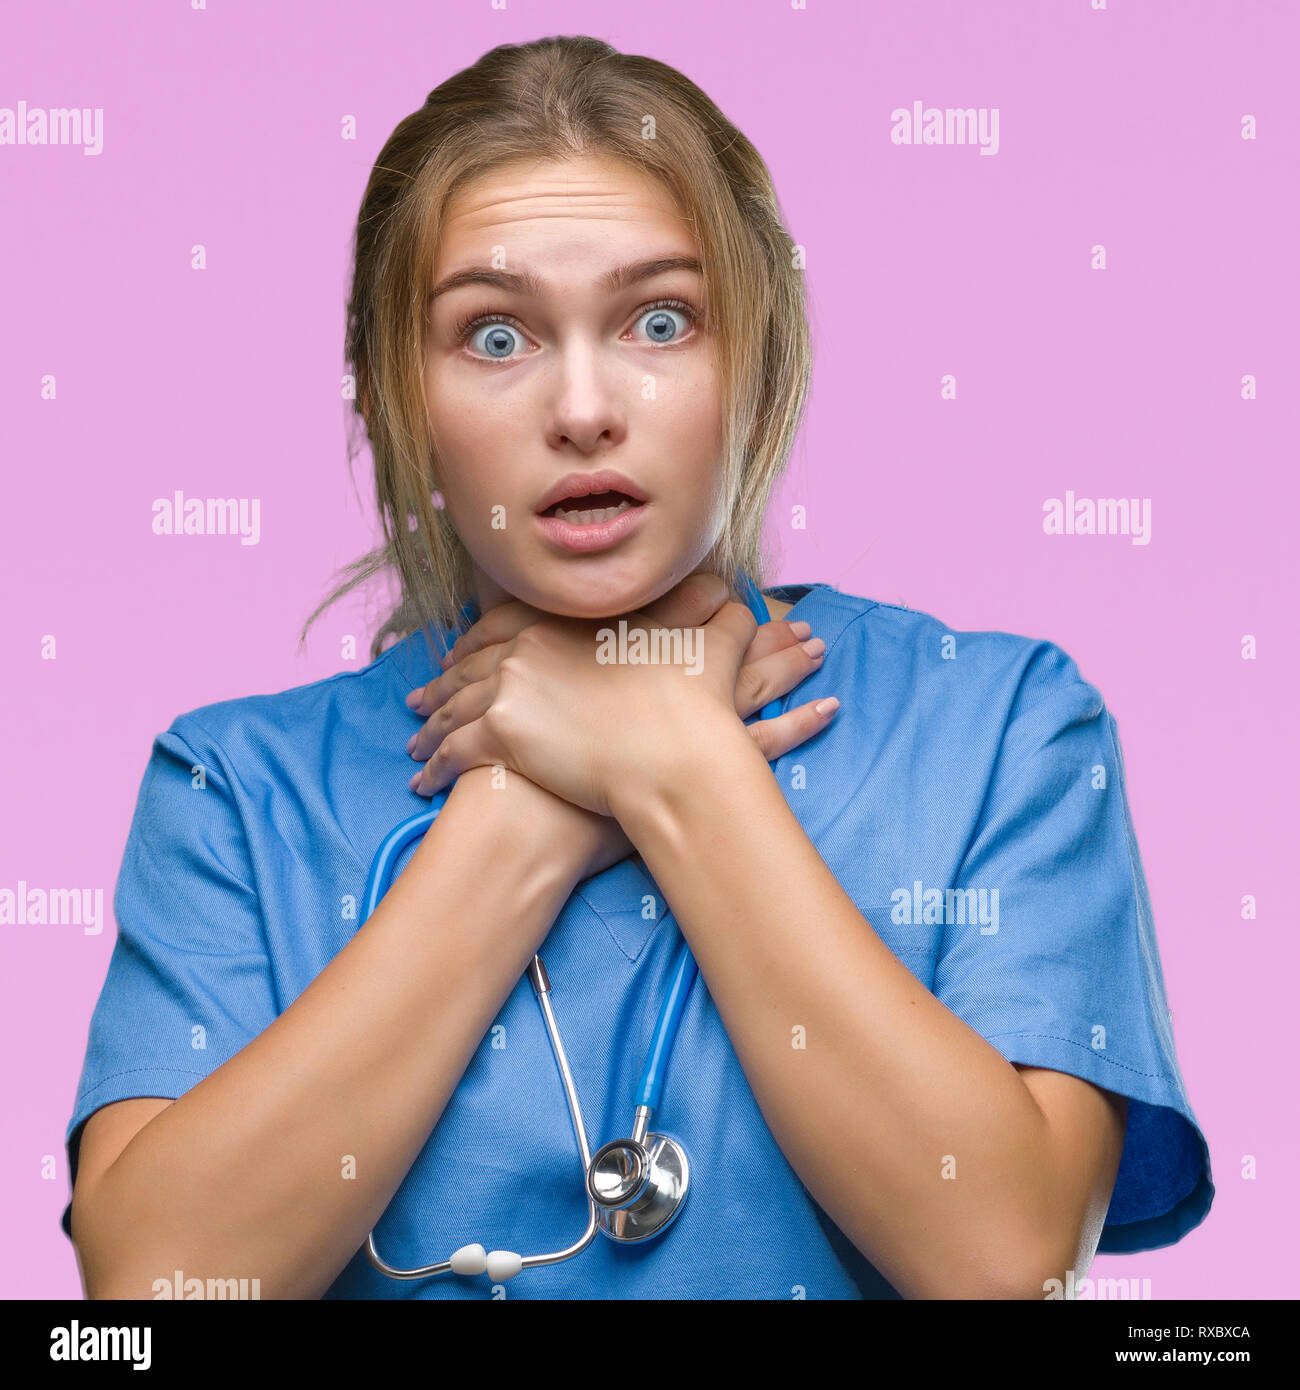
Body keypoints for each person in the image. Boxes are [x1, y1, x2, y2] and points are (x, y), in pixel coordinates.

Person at [62, 36, 1212, 1301]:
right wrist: (518, 821)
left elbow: (1005, 1266)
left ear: (755, 361)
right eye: (494, 337)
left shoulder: (1005, 730)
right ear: (402, 399)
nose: (584, 405)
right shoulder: (234, 789)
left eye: (659, 321)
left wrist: (676, 761)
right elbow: (150, 1300)